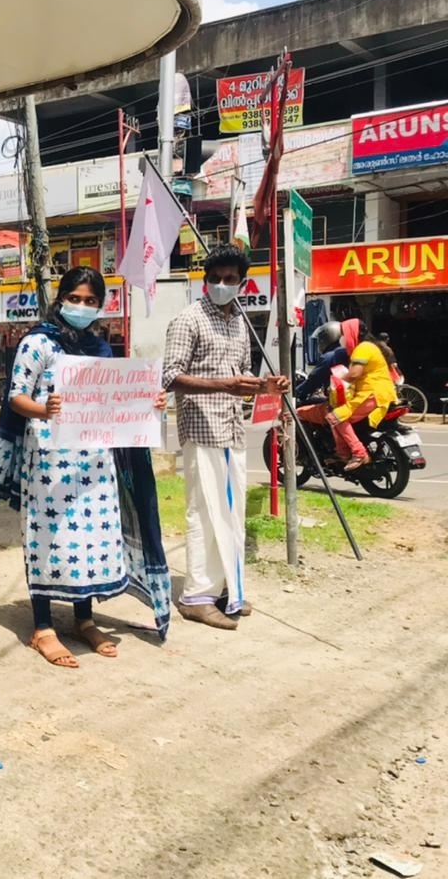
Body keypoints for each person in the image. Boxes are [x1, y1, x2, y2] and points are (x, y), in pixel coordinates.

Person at [0, 267, 172, 668]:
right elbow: (15, 397)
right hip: (49, 461)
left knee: (89, 538)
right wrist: (44, 409)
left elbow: (117, 401)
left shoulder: (101, 349)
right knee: (48, 537)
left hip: (94, 461)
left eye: (91, 301)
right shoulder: (38, 343)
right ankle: (43, 626)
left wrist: (147, 404)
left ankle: (83, 620)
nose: (82, 307)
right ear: (61, 297)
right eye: (76, 298)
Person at [162, 245, 289, 631]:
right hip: (201, 428)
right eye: (214, 278)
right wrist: (226, 385)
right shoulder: (188, 320)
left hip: (232, 428)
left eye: (229, 279)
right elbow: (170, 377)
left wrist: (267, 385)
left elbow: (242, 376)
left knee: (230, 513)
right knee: (203, 510)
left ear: (242, 283)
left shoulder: (239, 322)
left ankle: (224, 590)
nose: (221, 284)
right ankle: (196, 596)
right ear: (205, 280)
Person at [298, 319, 397, 471]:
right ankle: (342, 453)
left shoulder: (362, 348)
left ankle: (358, 452)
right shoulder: (369, 347)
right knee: (338, 416)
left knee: (335, 416)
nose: (342, 338)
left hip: (371, 395)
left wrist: (338, 377)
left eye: (344, 334)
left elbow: (354, 374)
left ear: (352, 334)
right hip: (375, 394)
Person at [296, 320, 348, 405]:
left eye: (320, 339)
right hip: (348, 398)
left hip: (339, 402)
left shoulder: (329, 356)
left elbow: (313, 381)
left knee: (299, 410)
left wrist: (296, 393)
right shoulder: (344, 352)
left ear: (327, 338)